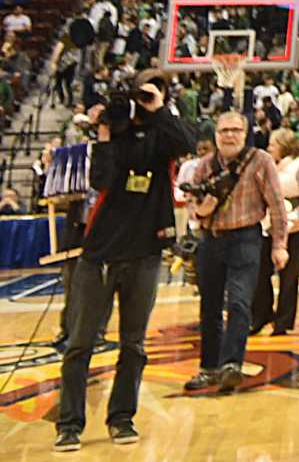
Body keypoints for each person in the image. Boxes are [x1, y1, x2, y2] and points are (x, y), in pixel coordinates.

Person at [53, 71, 193, 450]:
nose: (148, 97)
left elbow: (186, 142)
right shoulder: (113, 130)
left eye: (157, 91)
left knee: (134, 344)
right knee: (80, 343)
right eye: (144, 90)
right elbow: (100, 180)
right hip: (99, 255)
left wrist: (158, 109)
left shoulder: (162, 136)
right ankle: (69, 424)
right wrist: (103, 132)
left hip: (144, 253)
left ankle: (121, 418)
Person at [183, 111, 289, 395]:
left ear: (245, 133)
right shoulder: (205, 164)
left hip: (245, 238)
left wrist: (279, 245)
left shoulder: (260, 160)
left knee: (240, 303)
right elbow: (192, 205)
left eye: (235, 130)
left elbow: (277, 205)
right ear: (215, 135)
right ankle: (208, 368)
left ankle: (231, 364)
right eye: (223, 131)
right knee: (209, 307)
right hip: (211, 238)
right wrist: (201, 210)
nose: (229, 135)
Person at [252, 130, 299, 335]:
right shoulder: (268, 164)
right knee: (260, 272)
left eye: (273, 144)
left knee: (289, 276)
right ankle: (261, 315)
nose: (269, 147)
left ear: (284, 145)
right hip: (267, 225)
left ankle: (283, 321)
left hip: (293, 226)